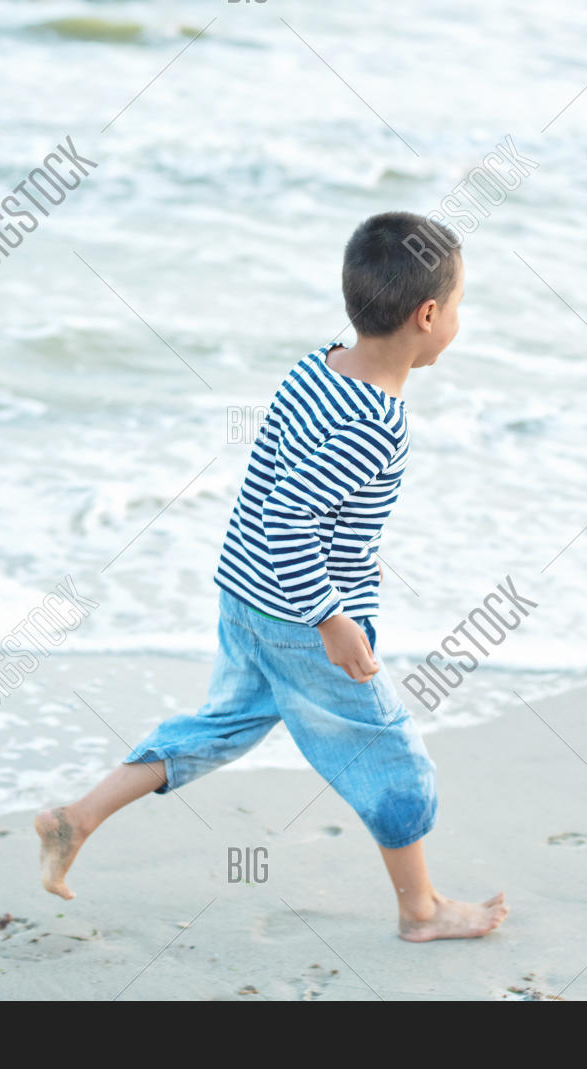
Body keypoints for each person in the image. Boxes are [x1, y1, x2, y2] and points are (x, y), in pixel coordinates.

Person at [36, 211, 507, 941]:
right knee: (393, 759)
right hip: (299, 620)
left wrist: (343, 561)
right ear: (427, 315)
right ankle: (422, 909)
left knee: (221, 727)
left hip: (247, 593)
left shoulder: (318, 365)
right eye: (460, 306)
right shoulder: (375, 422)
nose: (460, 320)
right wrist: (332, 617)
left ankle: (79, 817)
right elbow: (294, 520)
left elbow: (288, 494)